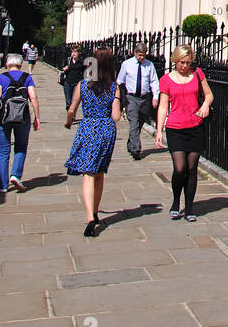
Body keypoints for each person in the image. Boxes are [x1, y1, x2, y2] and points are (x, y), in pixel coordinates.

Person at [64, 45, 122, 237]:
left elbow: (72, 108)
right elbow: (116, 116)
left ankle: (90, 216)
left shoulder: (83, 84)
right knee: (99, 172)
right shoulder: (114, 87)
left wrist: (68, 121)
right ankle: (96, 211)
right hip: (105, 129)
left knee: (87, 174)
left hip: (88, 127)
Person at [155, 44, 213, 222]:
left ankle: (189, 208)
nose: (184, 66)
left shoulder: (197, 74)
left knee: (192, 168)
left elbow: (209, 94)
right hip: (175, 128)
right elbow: (163, 106)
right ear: (175, 60)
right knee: (179, 169)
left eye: (187, 62)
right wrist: (159, 130)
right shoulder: (166, 80)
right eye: (181, 62)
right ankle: (175, 201)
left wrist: (205, 105)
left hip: (195, 126)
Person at [0, 52, 40, 194]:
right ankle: (15, 174)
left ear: (7, 64)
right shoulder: (27, 77)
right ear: (21, 65)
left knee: (3, 151)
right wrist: (37, 117)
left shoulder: (2, 77)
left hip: (3, 117)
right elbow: (33, 98)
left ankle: (3, 185)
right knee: (21, 147)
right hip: (23, 117)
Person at [116, 43, 159, 160]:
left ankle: (131, 143)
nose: (141, 58)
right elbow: (120, 81)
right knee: (133, 123)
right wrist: (121, 99)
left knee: (140, 123)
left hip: (144, 98)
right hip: (131, 98)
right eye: (140, 55)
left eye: (144, 55)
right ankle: (136, 149)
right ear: (135, 53)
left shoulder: (149, 65)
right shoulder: (127, 64)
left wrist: (155, 96)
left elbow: (154, 81)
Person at [59, 46, 86, 111]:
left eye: (75, 52)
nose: (73, 54)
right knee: (68, 102)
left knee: (74, 101)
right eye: (72, 52)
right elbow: (61, 68)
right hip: (68, 82)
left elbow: (85, 72)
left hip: (77, 83)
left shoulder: (82, 61)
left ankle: (72, 116)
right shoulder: (68, 60)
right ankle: (69, 113)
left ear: (79, 53)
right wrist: (64, 68)